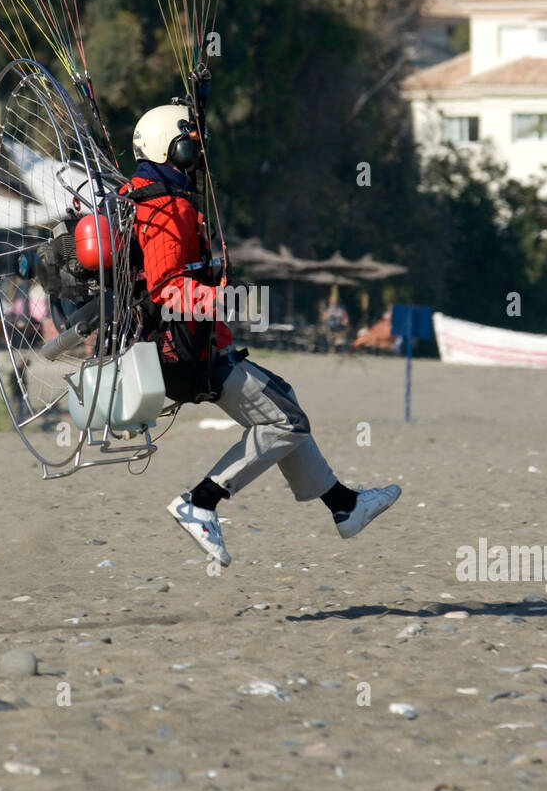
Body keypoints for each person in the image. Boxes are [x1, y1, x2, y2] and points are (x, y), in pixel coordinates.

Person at [124, 102, 401, 567]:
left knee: (282, 402)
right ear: (171, 149)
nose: (196, 157)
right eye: (189, 147)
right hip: (187, 351)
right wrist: (224, 300)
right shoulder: (165, 206)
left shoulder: (147, 195)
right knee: (285, 421)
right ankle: (201, 501)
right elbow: (166, 287)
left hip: (191, 346)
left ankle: (343, 506)